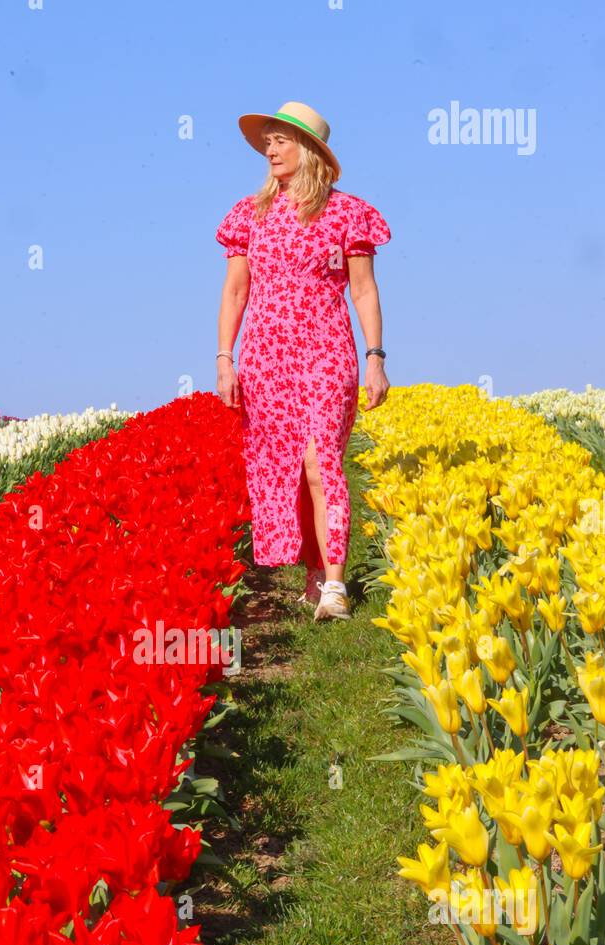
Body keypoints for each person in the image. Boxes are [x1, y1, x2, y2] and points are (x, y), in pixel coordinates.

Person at [215, 101, 391, 621]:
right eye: (267, 141)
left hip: (326, 349)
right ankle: (313, 576)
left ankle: (335, 585)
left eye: (281, 140)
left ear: (308, 151)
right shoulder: (249, 215)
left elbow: (363, 291)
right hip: (265, 355)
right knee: (284, 470)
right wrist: (225, 357)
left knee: (321, 461)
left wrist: (375, 355)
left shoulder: (347, 213)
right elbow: (234, 292)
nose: (270, 149)